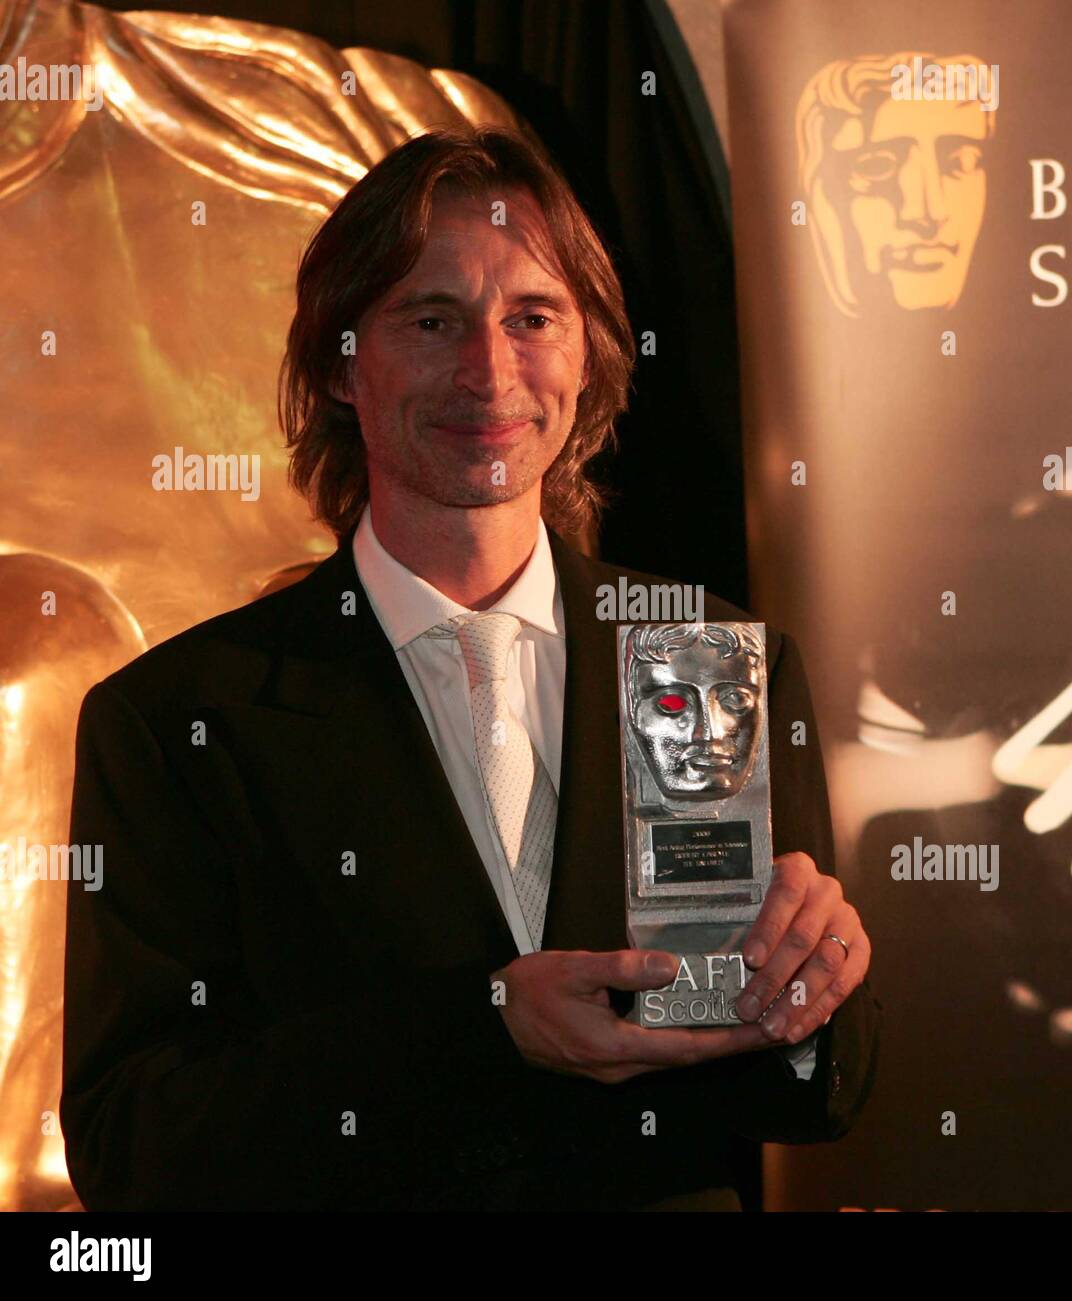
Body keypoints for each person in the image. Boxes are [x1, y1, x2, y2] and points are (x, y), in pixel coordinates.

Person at [60, 125, 882, 1211]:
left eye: (532, 318)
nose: (488, 370)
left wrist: (813, 990)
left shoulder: (706, 655)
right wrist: (485, 1027)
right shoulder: (177, 721)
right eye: (432, 319)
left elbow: (815, 1097)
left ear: (587, 354)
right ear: (340, 364)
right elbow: (134, 1146)